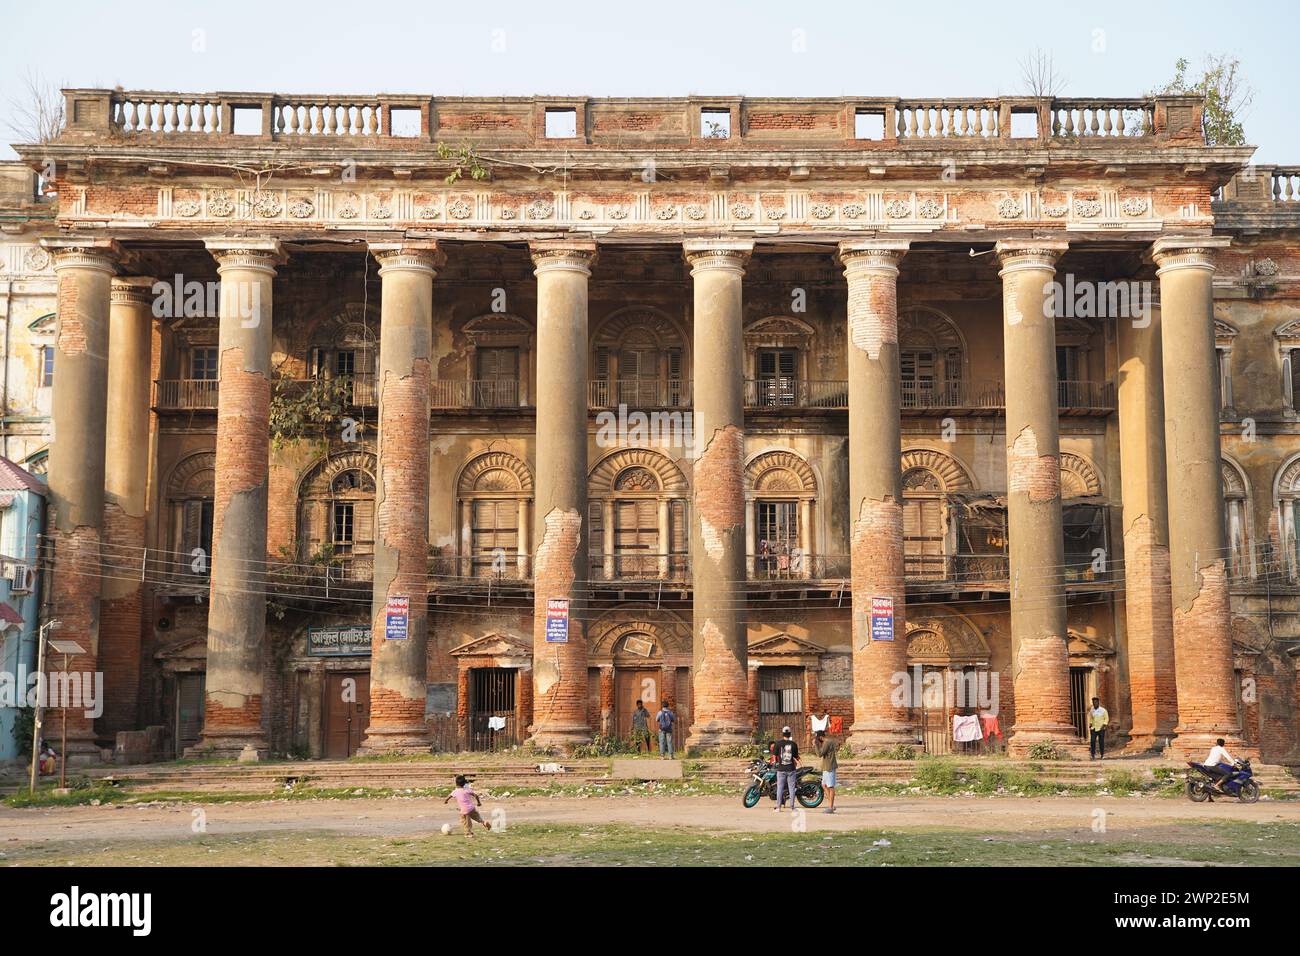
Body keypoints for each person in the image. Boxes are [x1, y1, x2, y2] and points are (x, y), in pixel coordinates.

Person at [772, 726, 800, 813]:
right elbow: (796, 756)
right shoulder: (794, 744)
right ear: (790, 734)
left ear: (783, 734)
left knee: (779, 788)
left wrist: (775, 762)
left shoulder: (778, 743)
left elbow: (775, 756)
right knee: (791, 788)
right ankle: (792, 808)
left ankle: (778, 807)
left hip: (781, 769)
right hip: (791, 769)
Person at [813, 729, 838, 814]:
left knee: (830, 787)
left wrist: (815, 745)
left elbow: (820, 754)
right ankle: (831, 804)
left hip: (829, 767)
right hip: (826, 767)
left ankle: (830, 807)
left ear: (820, 737)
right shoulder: (827, 742)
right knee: (824, 785)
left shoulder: (827, 743)